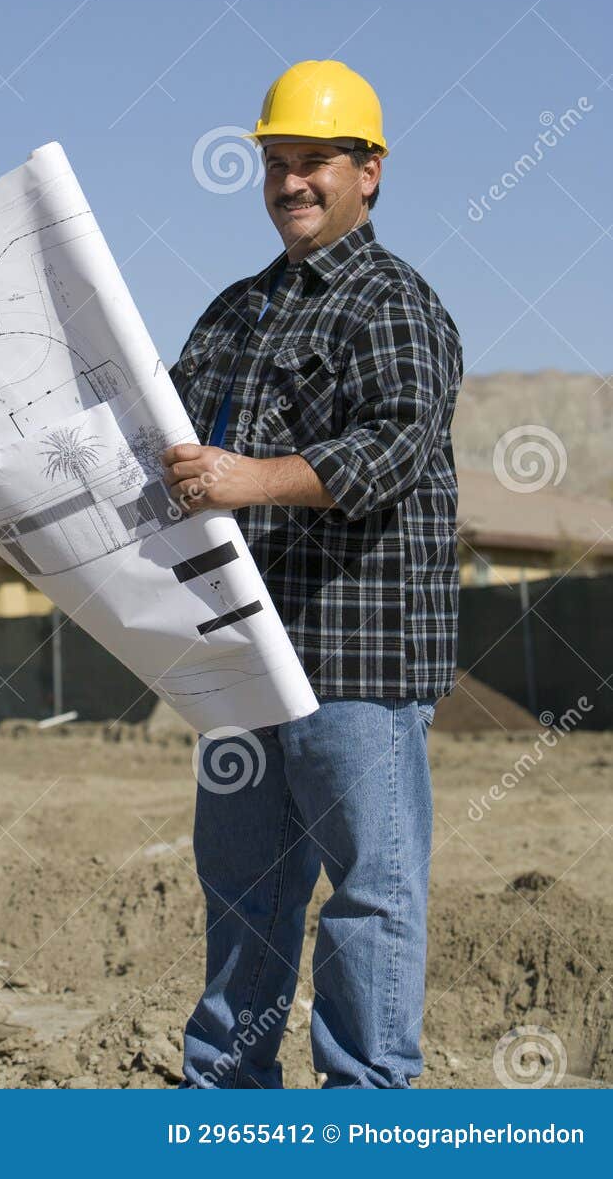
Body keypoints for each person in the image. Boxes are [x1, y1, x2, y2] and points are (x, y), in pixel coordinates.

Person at [162, 59, 463, 1090]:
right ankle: (228, 1102)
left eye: (314, 162)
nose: (291, 180)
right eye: (277, 162)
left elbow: (394, 446)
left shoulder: (392, 302)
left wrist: (251, 478)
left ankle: (365, 1113)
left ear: (368, 171)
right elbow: (162, 437)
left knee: (369, 891)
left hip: (356, 656)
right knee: (243, 888)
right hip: (244, 650)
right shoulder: (233, 314)